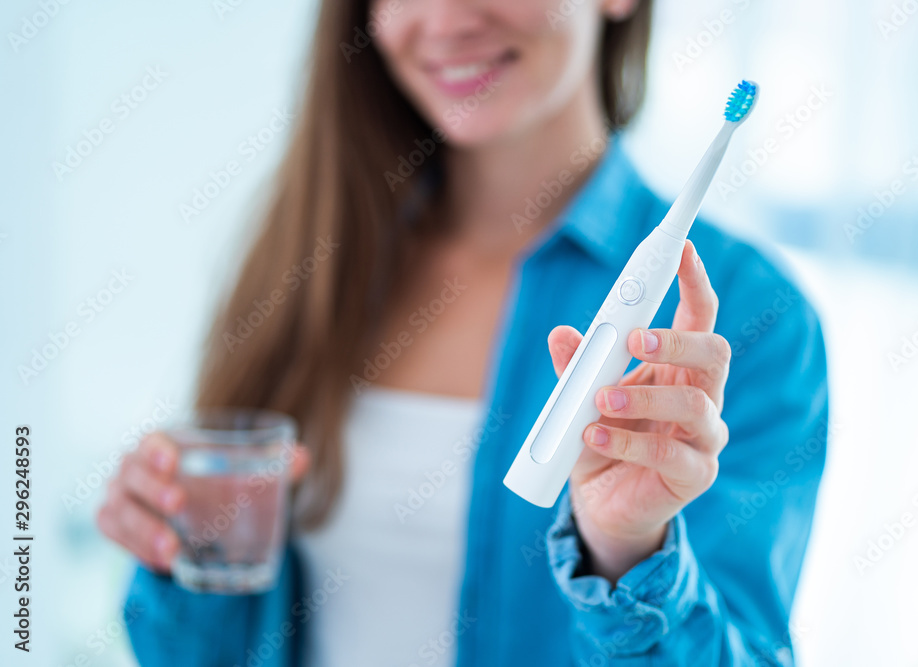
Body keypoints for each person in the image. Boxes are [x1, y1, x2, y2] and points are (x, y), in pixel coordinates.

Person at [98, 0, 828, 664]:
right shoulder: (310, 262)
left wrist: (626, 555)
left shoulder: (746, 320)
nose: (444, 17)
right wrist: (180, 551)